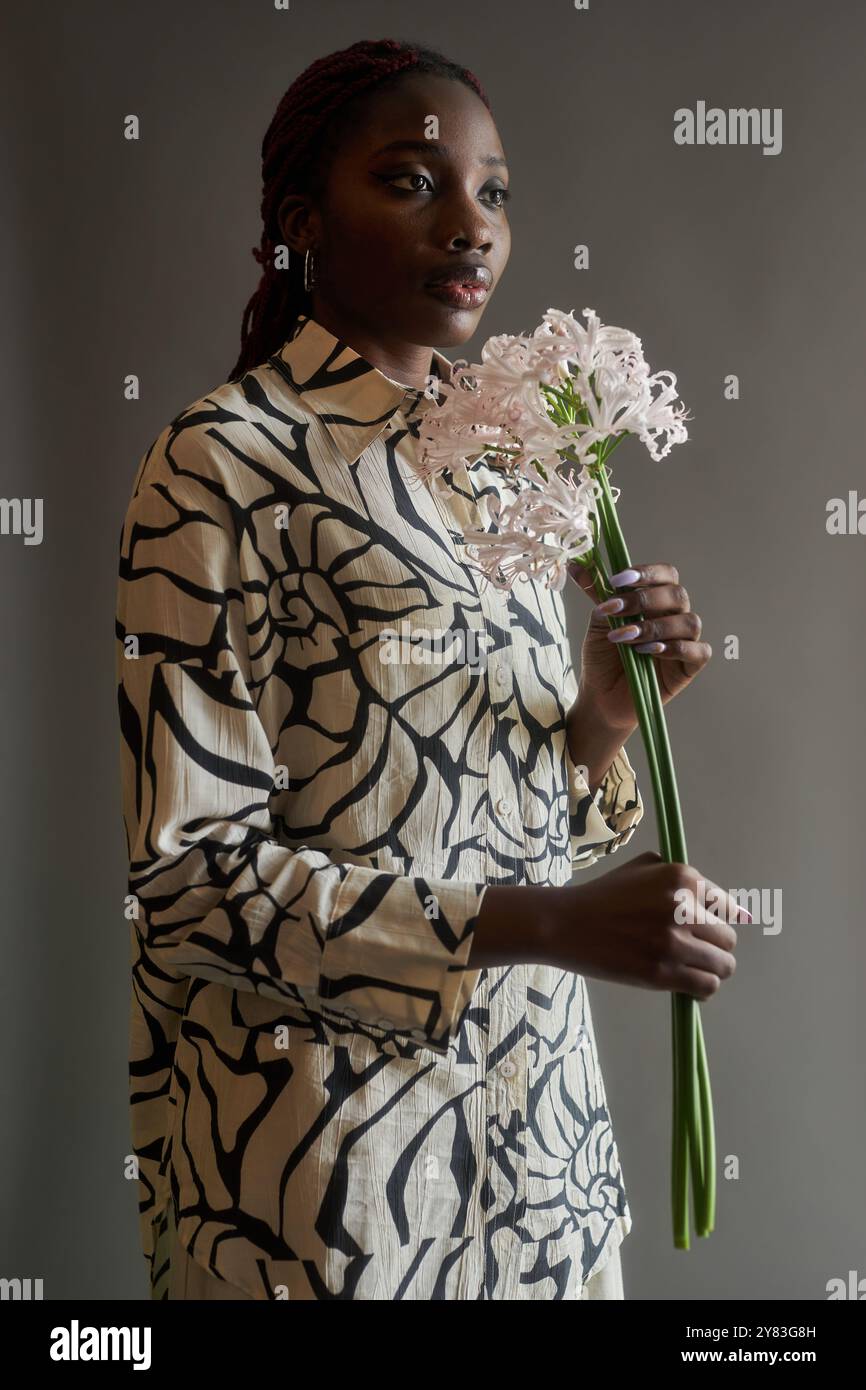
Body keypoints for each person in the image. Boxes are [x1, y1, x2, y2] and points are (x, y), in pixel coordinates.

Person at [115, 36, 741, 1302]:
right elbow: (184, 885)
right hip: (330, 1189)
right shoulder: (220, 462)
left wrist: (603, 726)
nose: (470, 224)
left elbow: (498, 823)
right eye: (412, 181)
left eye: (493, 192)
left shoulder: (510, 457)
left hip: (544, 1170)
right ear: (302, 225)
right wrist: (551, 925)